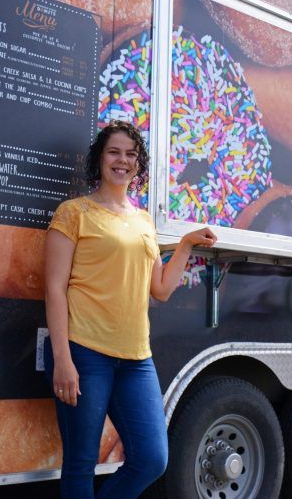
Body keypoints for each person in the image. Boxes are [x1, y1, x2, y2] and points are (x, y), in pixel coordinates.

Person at [43, 120, 217, 497]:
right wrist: (63, 359)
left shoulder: (144, 221)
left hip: (136, 358)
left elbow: (161, 290)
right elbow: (54, 289)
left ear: (138, 164)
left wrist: (184, 246)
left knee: (152, 458)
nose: (122, 160)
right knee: (81, 462)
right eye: (114, 152)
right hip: (84, 351)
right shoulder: (75, 213)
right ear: (100, 159)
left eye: (131, 154)